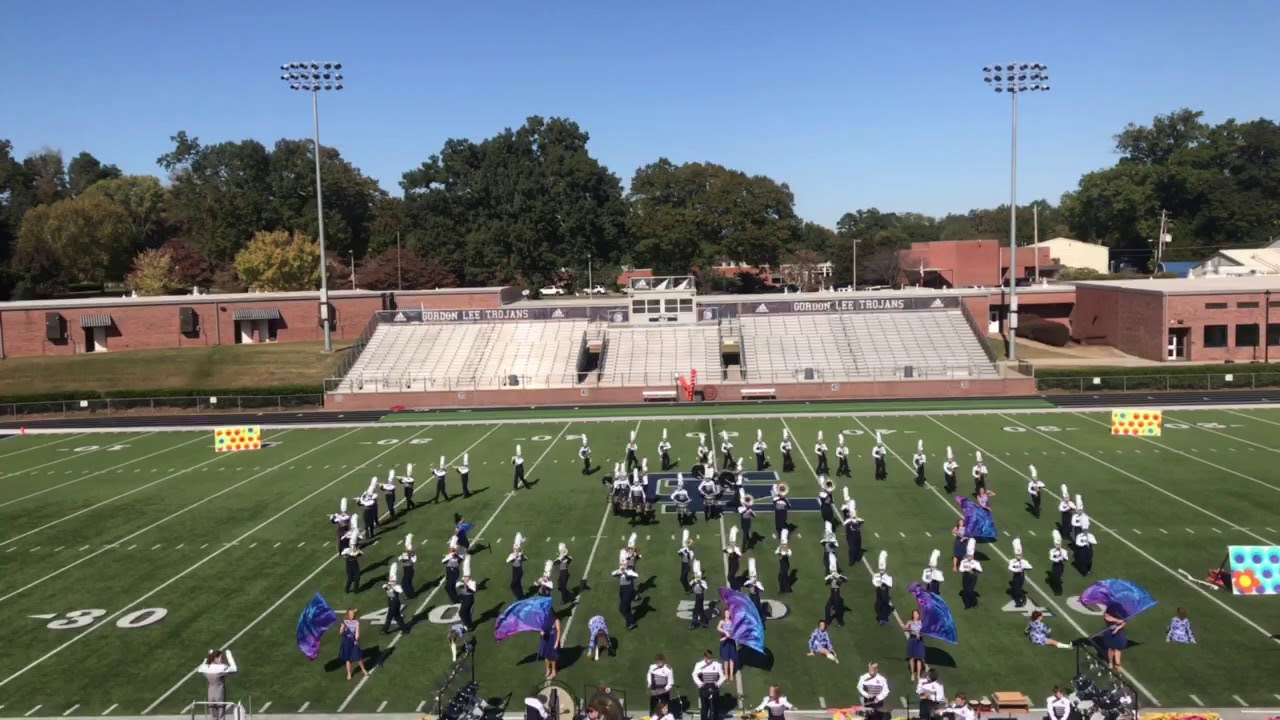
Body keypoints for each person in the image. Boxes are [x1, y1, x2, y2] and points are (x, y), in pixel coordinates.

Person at [197, 649, 238, 719]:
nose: (221, 659)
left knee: (213, 717)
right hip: (219, 694)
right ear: (215, 658)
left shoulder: (206, 668)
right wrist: (229, 655)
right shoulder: (222, 667)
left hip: (210, 694)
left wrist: (207, 658)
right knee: (221, 716)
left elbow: (199, 669)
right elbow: (234, 668)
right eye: (220, 658)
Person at [692, 650, 726, 720]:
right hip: (704, 689)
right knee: (704, 708)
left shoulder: (717, 665)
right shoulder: (699, 665)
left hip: (714, 689)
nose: (709, 660)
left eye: (710, 658)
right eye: (708, 658)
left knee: (714, 708)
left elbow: (723, 676)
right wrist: (699, 683)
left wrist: (718, 683)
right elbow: (694, 675)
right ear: (705, 657)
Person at [337, 610, 368, 680]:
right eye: (351, 614)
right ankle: (349, 673)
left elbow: (357, 633)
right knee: (348, 658)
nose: (352, 616)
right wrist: (342, 627)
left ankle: (363, 669)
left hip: (353, 641)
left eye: (353, 614)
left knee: (358, 657)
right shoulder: (344, 622)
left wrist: (356, 640)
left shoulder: (357, 622)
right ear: (348, 615)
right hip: (346, 642)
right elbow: (341, 633)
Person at [903, 608, 926, 682]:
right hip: (912, 640)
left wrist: (919, 634)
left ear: (919, 615)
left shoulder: (921, 622)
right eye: (914, 614)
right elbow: (905, 628)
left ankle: (918, 674)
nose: (915, 615)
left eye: (916, 613)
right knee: (912, 658)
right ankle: (912, 674)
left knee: (919, 658)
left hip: (919, 640)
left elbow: (925, 631)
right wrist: (911, 630)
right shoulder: (910, 622)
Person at [1008, 538, 1031, 608]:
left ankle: (1020, 596)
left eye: (1020, 555)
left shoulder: (1024, 561)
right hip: (1016, 576)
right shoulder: (1012, 561)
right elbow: (1010, 568)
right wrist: (1016, 570)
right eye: (1017, 555)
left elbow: (1030, 567)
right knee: (1017, 589)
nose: (1018, 557)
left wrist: (1025, 567)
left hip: (1021, 576)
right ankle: (1019, 602)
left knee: (1018, 588)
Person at [1102, 606, 1127, 671]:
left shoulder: (1123, 610)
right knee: (1110, 648)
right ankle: (1110, 662)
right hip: (1109, 630)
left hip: (1119, 632)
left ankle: (1117, 664)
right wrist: (1117, 620)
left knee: (1118, 649)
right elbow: (1106, 617)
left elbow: (1124, 622)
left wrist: (1117, 628)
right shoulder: (1110, 608)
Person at [538, 611, 561, 680]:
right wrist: (541, 632)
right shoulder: (543, 620)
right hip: (545, 640)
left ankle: (553, 670)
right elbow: (540, 629)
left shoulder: (556, 620)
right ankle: (548, 669)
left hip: (553, 639)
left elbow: (559, 631)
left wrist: (557, 641)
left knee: (553, 656)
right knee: (546, 656)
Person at [717, 608, 738, 681]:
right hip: (725, 643)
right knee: (726, 659)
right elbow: (718, 628)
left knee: (732, 659)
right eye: (726, 613)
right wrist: (725, 632)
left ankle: (731, 674)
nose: (727, 615)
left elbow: (735, 631)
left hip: (731, 642)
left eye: (728, 613)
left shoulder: (733, 622)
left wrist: (729, 635)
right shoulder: (722, 621)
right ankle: (726, 674)